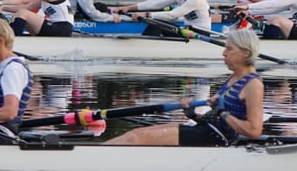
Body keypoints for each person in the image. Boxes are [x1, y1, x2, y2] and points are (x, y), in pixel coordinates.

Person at [106, 27, 265, 146]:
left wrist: (223, 113)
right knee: (135, 133)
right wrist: (193, 115)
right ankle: (91, 154)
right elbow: (219, 116)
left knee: (136, 139)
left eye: (229, 49)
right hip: (205, 128)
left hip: (216, 138)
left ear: (245, 53)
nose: (224, 53)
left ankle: (89, 161)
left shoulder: (253, 85)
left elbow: (254, 131)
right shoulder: (234, 76)